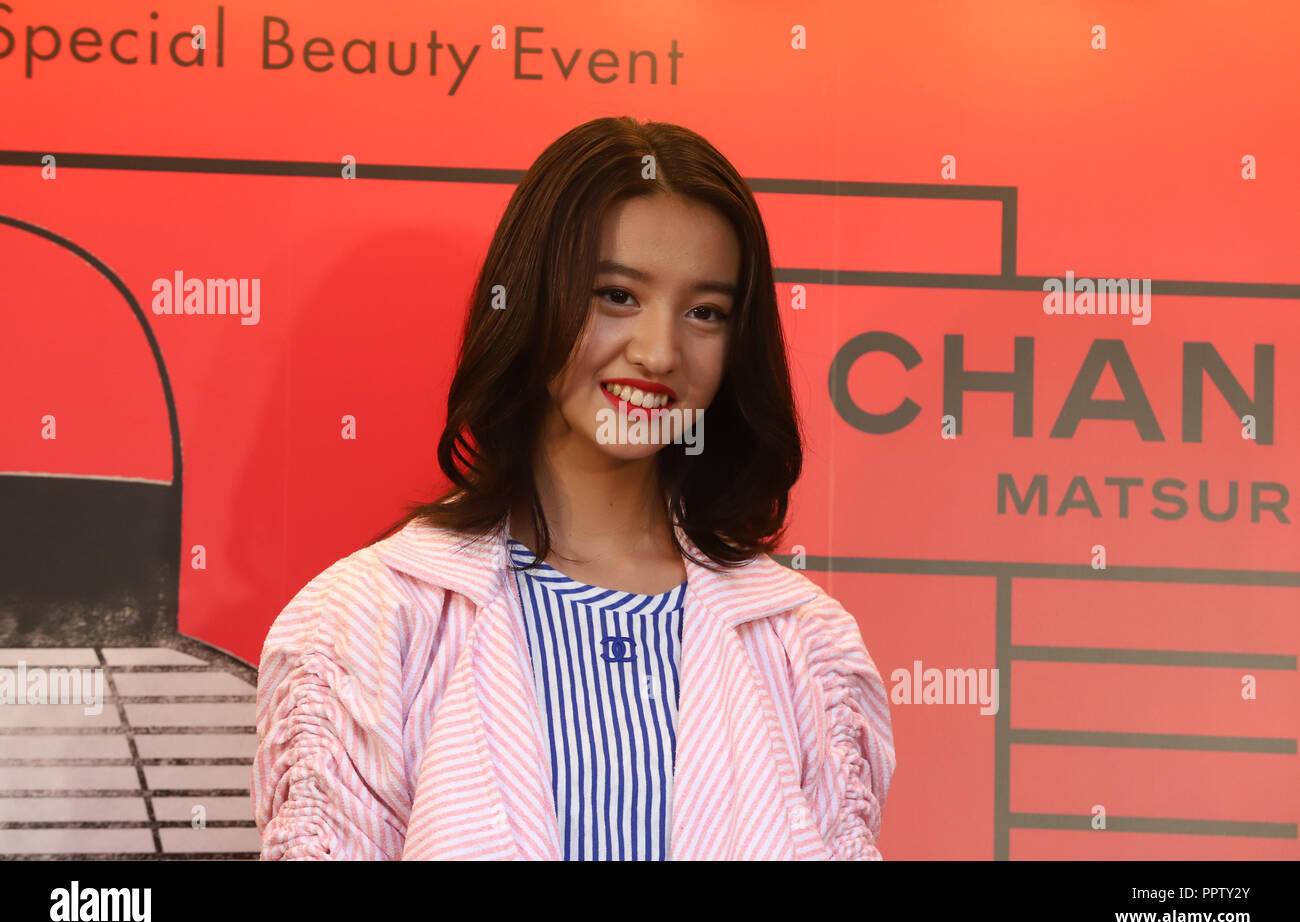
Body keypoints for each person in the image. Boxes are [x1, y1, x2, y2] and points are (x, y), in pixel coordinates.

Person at [251, 116, 895, 860]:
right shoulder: (366, 624)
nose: (658, 351)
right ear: (528, 299)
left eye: (705, 312)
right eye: (617, 295)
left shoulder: (805, 648)